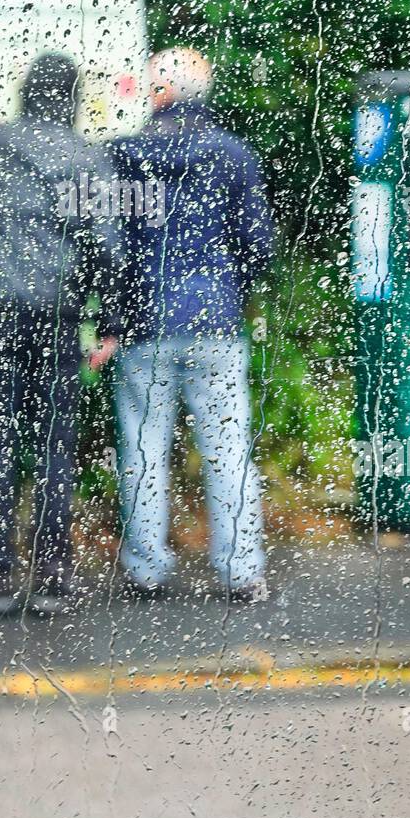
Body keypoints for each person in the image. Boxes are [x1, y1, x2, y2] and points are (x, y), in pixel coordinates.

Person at [0, 53, 122, 616]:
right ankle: (55, 577)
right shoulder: (87, 159)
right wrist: (108, 324)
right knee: (53, 443)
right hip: (56, 311)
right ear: (72, 100)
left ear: (24, 93)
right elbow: (106, 248)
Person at [107, 47, 275, 600]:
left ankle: (147, 568)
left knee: (142, 447)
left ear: (159, 93)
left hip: (144, 323)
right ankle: (241, 570)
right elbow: (258, 244)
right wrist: (232, 292)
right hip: (217, 322)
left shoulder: (125, 157)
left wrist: (112, 318)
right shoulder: (233, 155)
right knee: (229, 448)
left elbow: (112, 247)